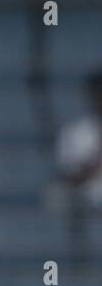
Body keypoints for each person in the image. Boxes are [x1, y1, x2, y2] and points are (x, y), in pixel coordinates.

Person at [52, 68, 102, 210]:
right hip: (84, 208)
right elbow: (67, 177)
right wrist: (92, 167)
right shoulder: (74, 133)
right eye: (99, 93)